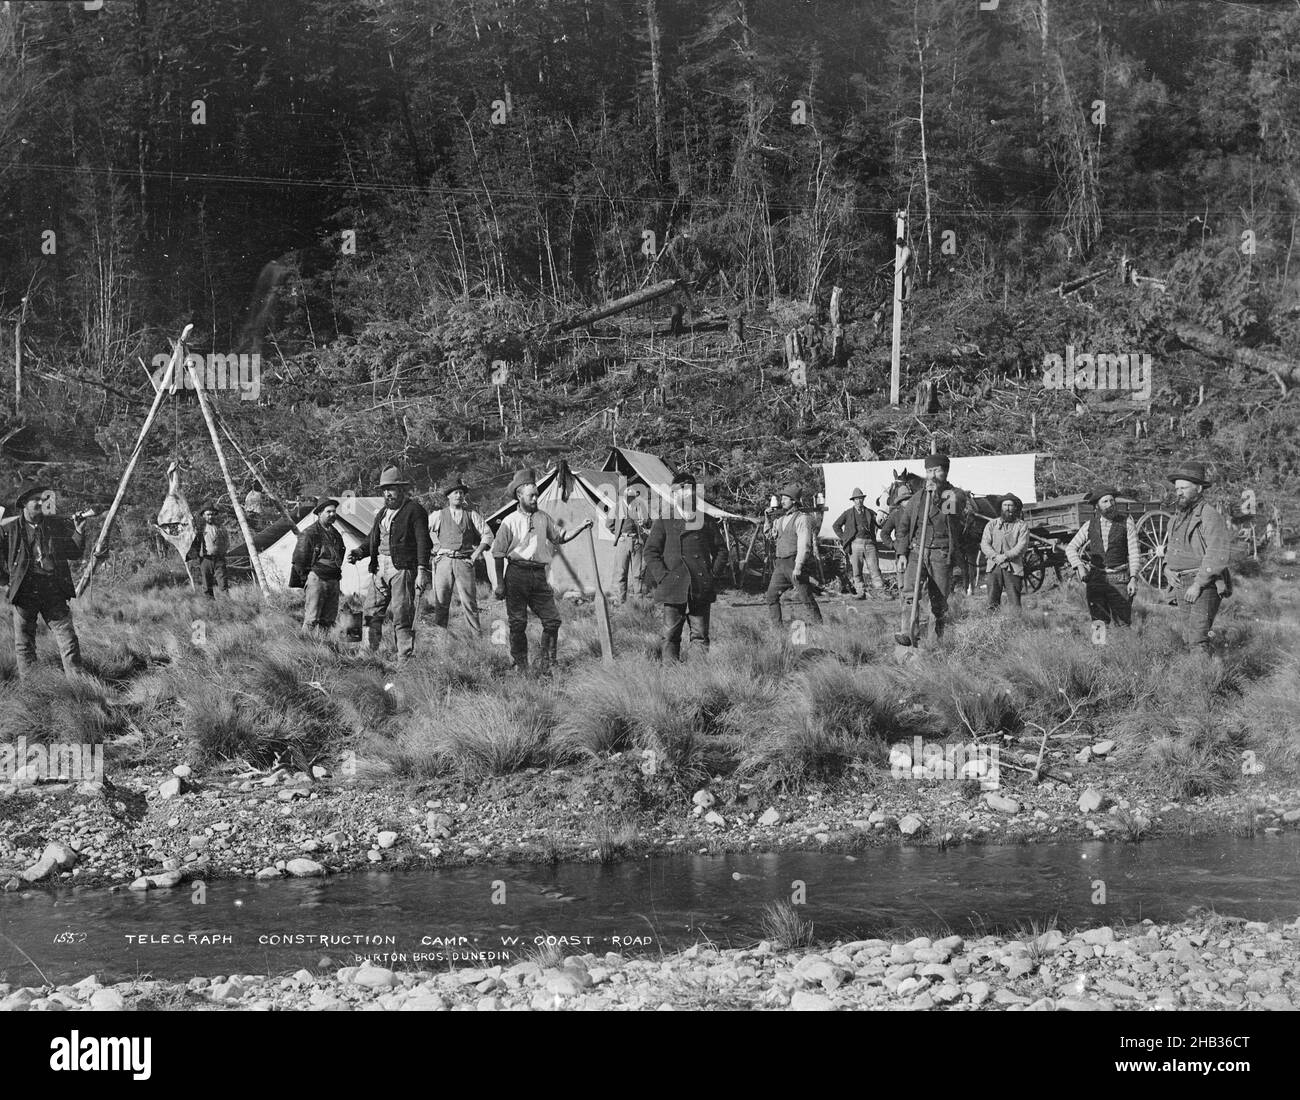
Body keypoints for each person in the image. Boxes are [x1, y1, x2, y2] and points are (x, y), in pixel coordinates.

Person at [491, 468, 592, 672]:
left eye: (537, 494)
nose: (536, 498)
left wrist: (580, 526)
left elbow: (560, 537)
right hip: (516, 575)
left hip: (538, 576)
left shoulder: (543, 518)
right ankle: (521, 665)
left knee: (552, 620)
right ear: (519, 496)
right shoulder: (510, 522)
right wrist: (500, 584)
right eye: (531, 495)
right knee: (518, 623)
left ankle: (547, 663)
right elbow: (498, 553)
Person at [0, 481, 86, 679]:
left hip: (53, 591)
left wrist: (79, 530)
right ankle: (32, 691)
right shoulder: (9, 529)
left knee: (68, 639)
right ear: (23, 504)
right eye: (35, 499)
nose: (40, 502)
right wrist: (6, 582)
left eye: (43, 498)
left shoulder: (55, 526)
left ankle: (78, 686)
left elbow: (73, 552)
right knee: (24, 645)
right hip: (24, 593)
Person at [642, 472, 728, 661]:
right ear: (674, 495)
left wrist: (712, 575)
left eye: (689, 490)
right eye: (680, 490)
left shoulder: (706, 520)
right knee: (670, 635)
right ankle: (670, 674)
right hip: (673, 586)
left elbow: (722, 551)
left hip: (700, 586)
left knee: (700, 636)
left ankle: (697, 676)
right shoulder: (665, 520)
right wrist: (664, 576)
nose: (685, 494)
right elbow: (650, 552)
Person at [348, 466, 431, 659]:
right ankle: (367, 654)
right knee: (371, 612)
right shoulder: (383, 513)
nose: (387, 494)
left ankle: (405, 657)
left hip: (402, 568)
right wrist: (360, 552)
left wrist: (421, 570)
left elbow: (423, 542)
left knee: (402, 614)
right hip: (379, 569)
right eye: (385, 490)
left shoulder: (414, 510)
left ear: (401, 489)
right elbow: (373, 538)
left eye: (391, 489)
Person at [892, 454, 972, 643]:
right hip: (916, 552)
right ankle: (908, 632)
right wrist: (902, 553)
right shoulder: (917, 498)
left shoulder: (954, 494)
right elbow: (903, 527)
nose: (932, 475)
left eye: (937, 470)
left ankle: (937, 639)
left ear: (946, 472)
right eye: (929, 471)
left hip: (941, 554)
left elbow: (951, 516)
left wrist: (937, 495)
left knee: (939, 601)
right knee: (909, 594)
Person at [1165, 461, 1232, 653]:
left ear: (1199, 488)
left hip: (1203, 584)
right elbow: (1171, 548)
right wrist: (1166, 568)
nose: (1178, 492)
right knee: (1188, 638)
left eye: (1184, 488)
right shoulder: (1176, 518)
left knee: (1197, 639)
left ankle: (1205, 681)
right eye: (1177, 488)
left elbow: (1217, 553)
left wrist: (1198, 584)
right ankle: (1194, 678)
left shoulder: (1210, 516)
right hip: (1180, 583)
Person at [1064, 487, 1140, 637]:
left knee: (1123, 623)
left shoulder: (1127, 523)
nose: (1110, 504)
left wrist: (1133, 578)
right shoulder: (1089, 526)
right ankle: (1100, 655)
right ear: (1097, 506)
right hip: (1096, 580)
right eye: (1105, 501)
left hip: (1120, 579)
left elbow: (1134, 553)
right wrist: (1079, 566)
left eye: (1112, 500)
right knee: (1098, 622)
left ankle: (1127, 655)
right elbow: (1070, 548)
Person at [428, 479, 493, 638]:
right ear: (448, 496)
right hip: (444, 561)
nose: (459, 495)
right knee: (441, 602)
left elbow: (488, 535)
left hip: (464, 561)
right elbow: (422, 532)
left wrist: (476, 554)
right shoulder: (438, 515)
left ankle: (477, 639)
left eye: (461, 493)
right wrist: (433, 549)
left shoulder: (471, 515)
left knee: (469, 602)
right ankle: (441, 639)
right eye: (455, 492)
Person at [763, 482, 823, 630]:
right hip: (780, 564)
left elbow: (804, 545)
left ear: (794, 501)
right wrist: (766, 517)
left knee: (805, 597)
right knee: (771, 596)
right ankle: (778, 630)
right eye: (781, 498)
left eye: (785, 498)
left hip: (794, 563)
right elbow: (770, 536)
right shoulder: (780, 519)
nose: (782, 501)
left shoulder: (802, 519)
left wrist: (798, 566)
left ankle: (820, 627)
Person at [291, 498, 346, 636]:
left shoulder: (336, 534)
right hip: (317, 579)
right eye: (328, 512)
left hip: (333, 579)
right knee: (312, 619)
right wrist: (308, 579)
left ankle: (323, 648)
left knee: (328, 620)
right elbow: (299, 560)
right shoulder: (309, 533)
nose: (332, 514)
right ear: (320, 513)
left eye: (334, 512)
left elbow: (340, 554)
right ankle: (303, 648)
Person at [980, 494, 1030, 613]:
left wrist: (1005, 556)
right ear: (1001, 507)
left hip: (1013, 568)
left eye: (1010, 505)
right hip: (994, 567)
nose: (1007, 508)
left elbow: (1021, 546)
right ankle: (992, 627)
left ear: (1015, 508)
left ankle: (1016, 626)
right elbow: (984, 544)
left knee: (1015, 602)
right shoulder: (991, 525)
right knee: (992, 601)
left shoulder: (1022, 526)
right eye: (1005, 505)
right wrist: (995, 556)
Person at [832, 487, 884, 599]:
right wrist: (845, 538)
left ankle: (881, 592)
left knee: (874, 569)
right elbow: (836, 526)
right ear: (853, 500)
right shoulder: (848, 513)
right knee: (857, 570)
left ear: (863, 499)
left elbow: (880, 524)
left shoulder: (870, 512)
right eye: (856, 499)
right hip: (855, 544)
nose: (859, 501)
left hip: (870, 544)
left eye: (861, 498)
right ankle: (860, 592)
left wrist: (883, 518)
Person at [608, 486, 650, 604]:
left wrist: (644, 522)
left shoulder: (640, 507)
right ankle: (622, 601)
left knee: (638, 574)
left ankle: (638, 602)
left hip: (637, 542)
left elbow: (649, 523)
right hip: (623, 542)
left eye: (633, 497)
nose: (631, 499)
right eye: (628, 497)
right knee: (621, 573)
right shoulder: (617, 507)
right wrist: (618, 534)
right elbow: (609, 524)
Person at [187, 503, 230, 599]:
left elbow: (227, 542)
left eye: (212, 514)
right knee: (207, 586)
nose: (210, 516)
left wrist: (223, 551)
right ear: (203, 515)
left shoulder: (221, 528)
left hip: (219, 559)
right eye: (208, 514)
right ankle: (210, 607)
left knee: (223, 584)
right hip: (205, 559)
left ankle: (227, 605)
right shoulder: (199, 529)